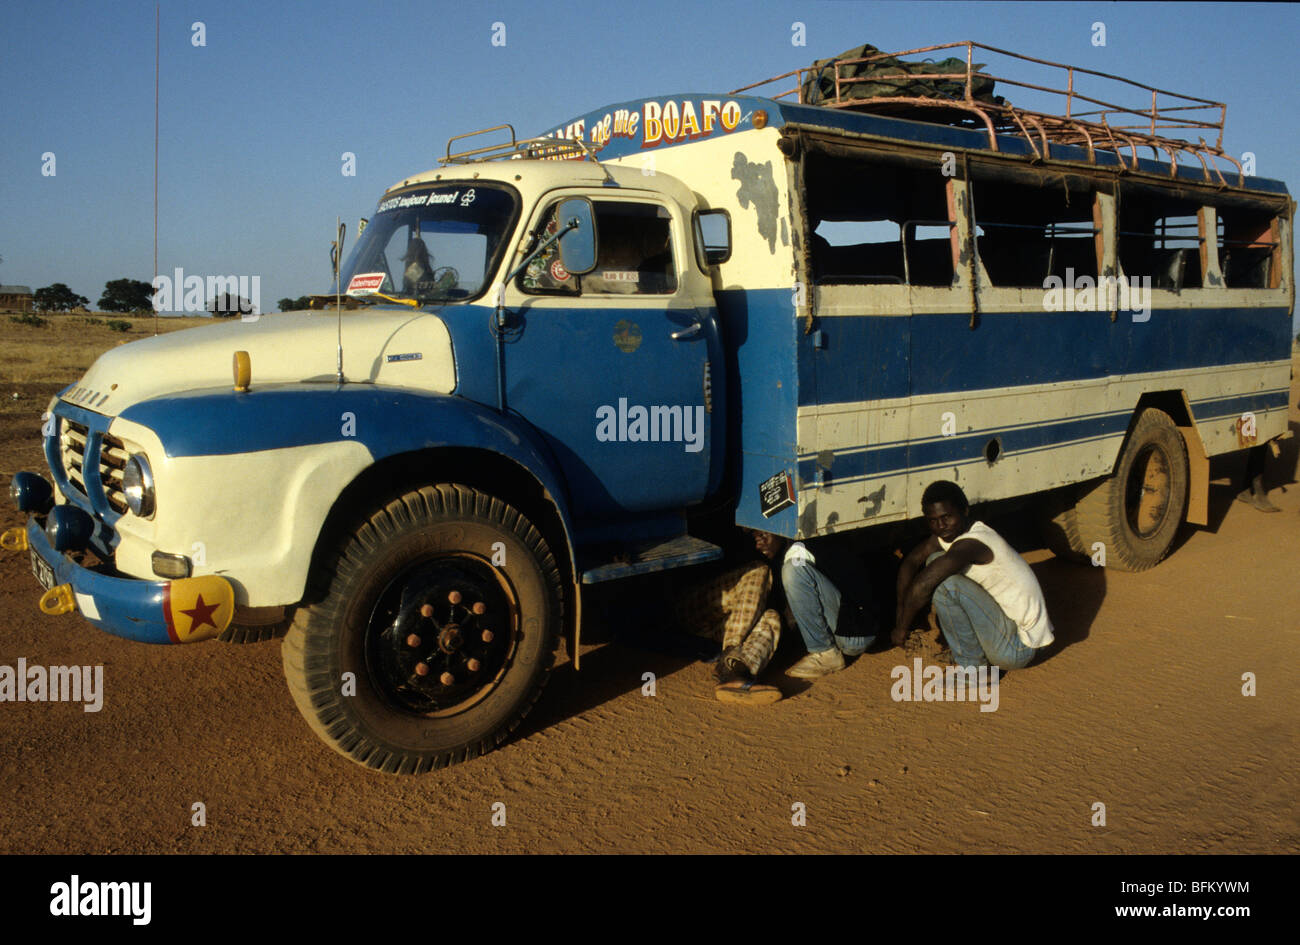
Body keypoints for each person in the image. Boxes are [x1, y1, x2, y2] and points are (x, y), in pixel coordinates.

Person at [892, 480, 1053, 670]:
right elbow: (911, 562)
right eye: (933, 520)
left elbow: (923, 585)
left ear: (965, 511)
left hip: (1020, 647)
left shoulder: (974, 543)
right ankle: (970, 650)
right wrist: (900, 613)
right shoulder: (948, 535)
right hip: (1008, 627)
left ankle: (973, 667)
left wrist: (901, 629)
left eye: (947, 517)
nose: (941, 525)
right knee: (935, 559)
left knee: (945, 584)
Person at [752, 531, 876, 679]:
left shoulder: (797, 551)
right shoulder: (803, 544)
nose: (758, 544)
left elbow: (791, 616)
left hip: (856, 635)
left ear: (780, 532)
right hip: (858, 625)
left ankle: (826, 653)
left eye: (763, 536)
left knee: (793, 570)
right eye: (755, 539)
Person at [671, 556, 784, 705]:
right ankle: (730, 653)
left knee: (772, 617)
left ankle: (737, 672)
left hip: (728, 627)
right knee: (758, 569)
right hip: (692, 605)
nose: (759, 536)